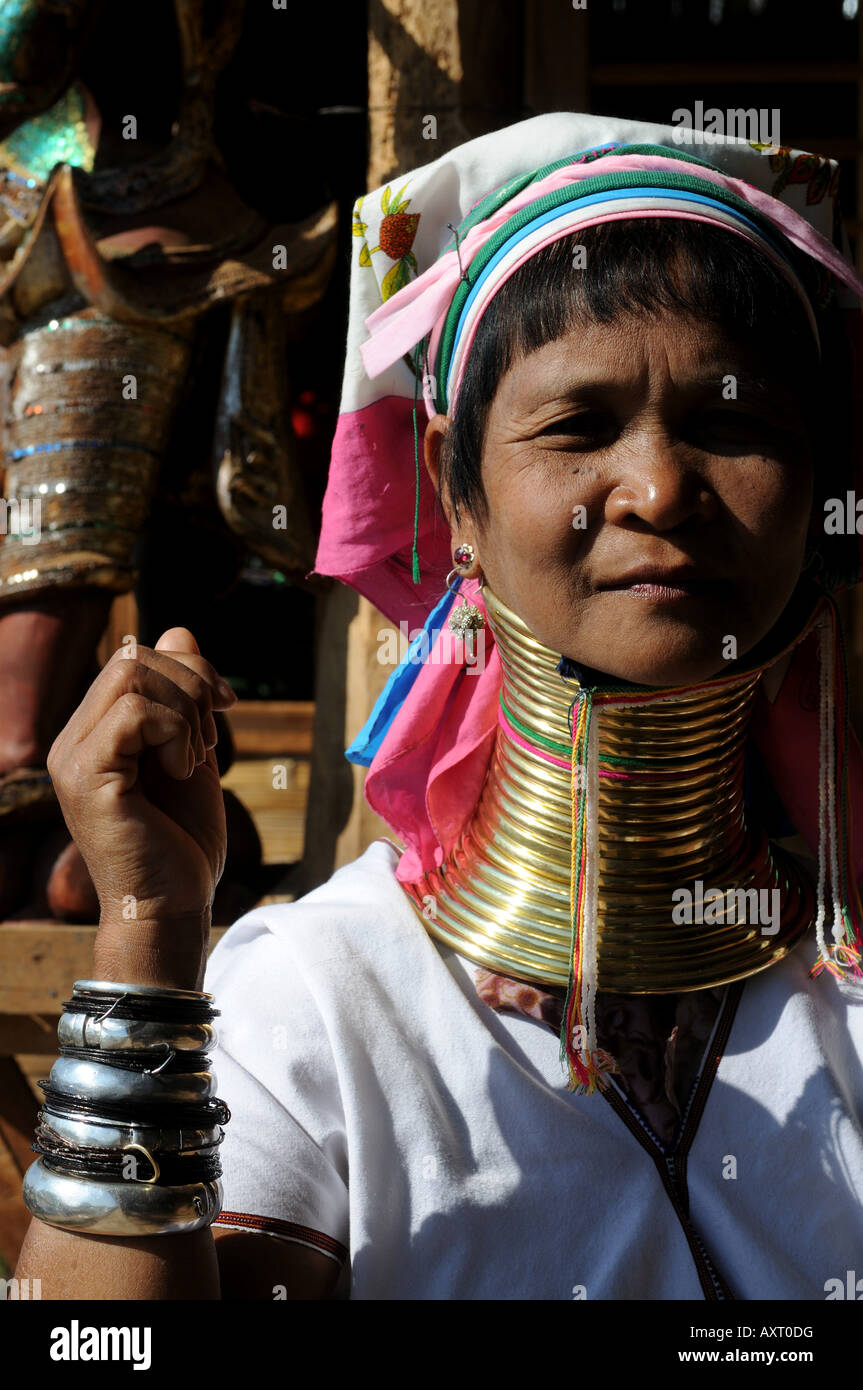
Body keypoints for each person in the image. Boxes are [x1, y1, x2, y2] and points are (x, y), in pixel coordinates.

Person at [14, 112, 863, 1301]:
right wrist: (149, 932)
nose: (662, 487)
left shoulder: (845, 986)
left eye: (732, 426)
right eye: (578, 426)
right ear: (447, 491)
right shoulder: (322, 997)